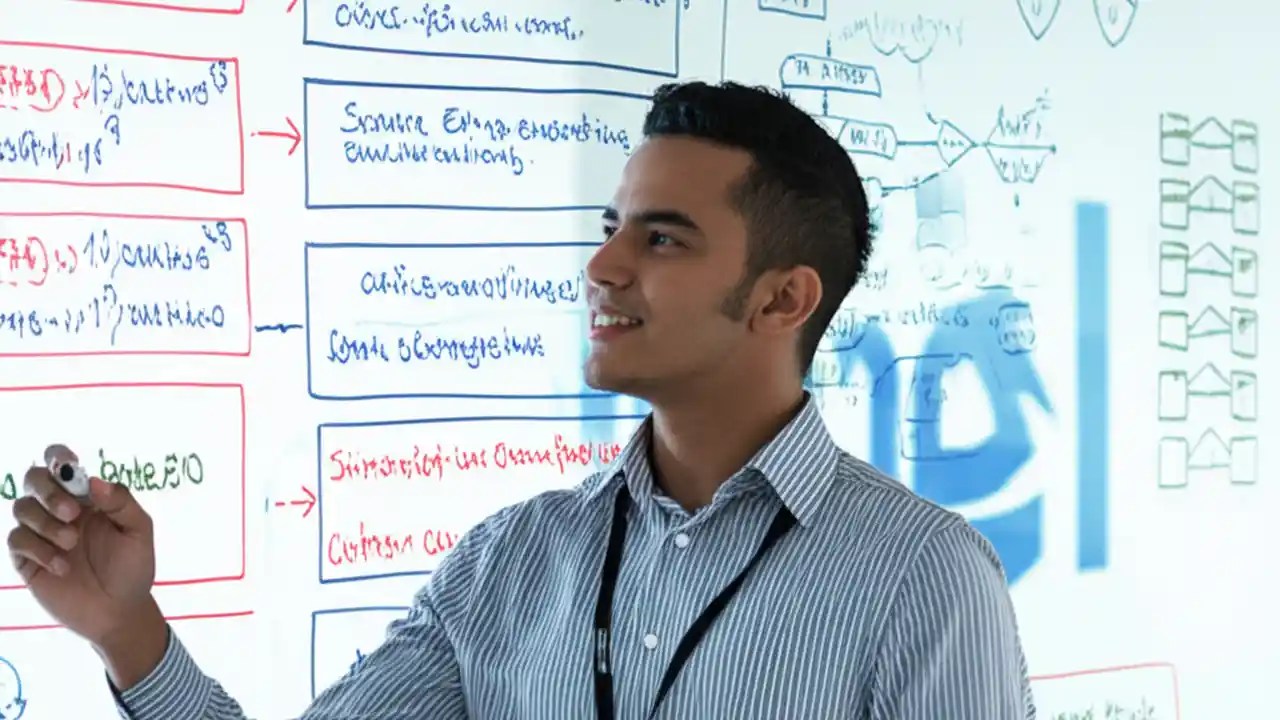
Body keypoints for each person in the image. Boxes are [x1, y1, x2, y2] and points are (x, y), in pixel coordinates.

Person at [7, 80, 1036, 719]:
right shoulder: (509, 561)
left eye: (659, 237)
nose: (602, 263)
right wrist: (125, 627)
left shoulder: (921, 579)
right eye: (611, 224)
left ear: (782, 297)